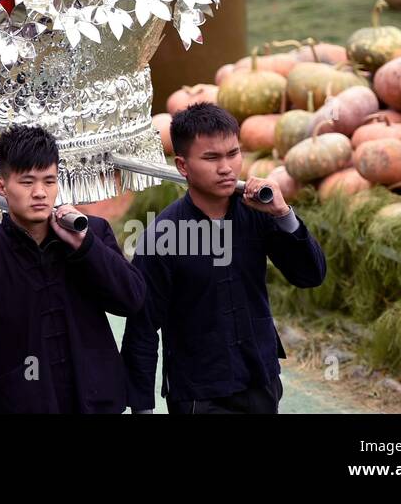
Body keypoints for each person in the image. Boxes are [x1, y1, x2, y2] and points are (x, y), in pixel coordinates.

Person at [121, 103, 327, 414]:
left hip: (261, 379)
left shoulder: (259, 213)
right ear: (182, 165)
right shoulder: (162, 236)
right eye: (211, 157)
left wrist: (285, 216)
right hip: (200, 394)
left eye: (233, 154)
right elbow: (142, 328)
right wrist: (141, 407)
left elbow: (310, 275)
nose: (226, 167)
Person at [0, 125, 146, 414]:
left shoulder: (92, 233)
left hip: (98, 402)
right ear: (1, 187)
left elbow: (131, 299)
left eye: (49, 181)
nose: (40, 193)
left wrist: (87, 247)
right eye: (27, 182)